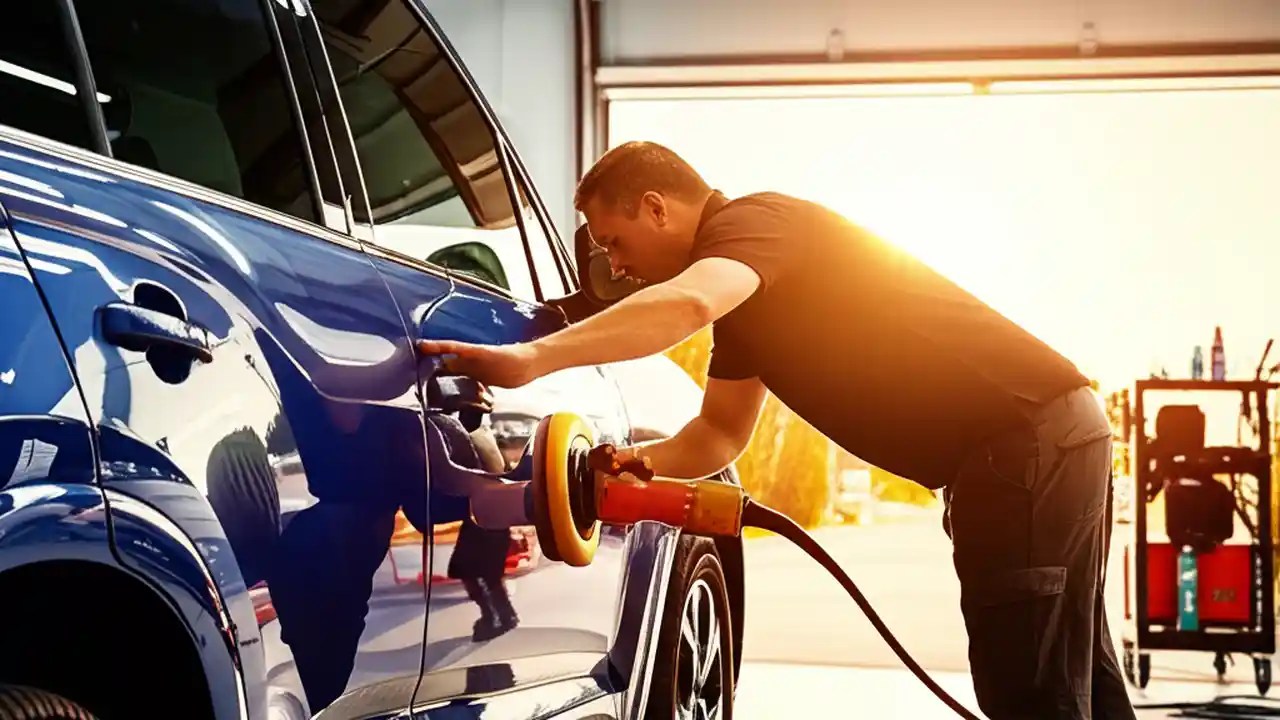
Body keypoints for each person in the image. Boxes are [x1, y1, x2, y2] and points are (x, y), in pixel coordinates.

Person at [417, 141, 1136, 720]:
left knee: (1029, 691)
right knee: (1078, 682)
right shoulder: (750, 303)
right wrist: (633, 463)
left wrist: (534, 358)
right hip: (1044, 438)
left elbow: (687, 302)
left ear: (656, 207)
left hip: (1024, 441)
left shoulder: (755, 225)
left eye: (614, 241)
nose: (615, 266)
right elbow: (720, 435)